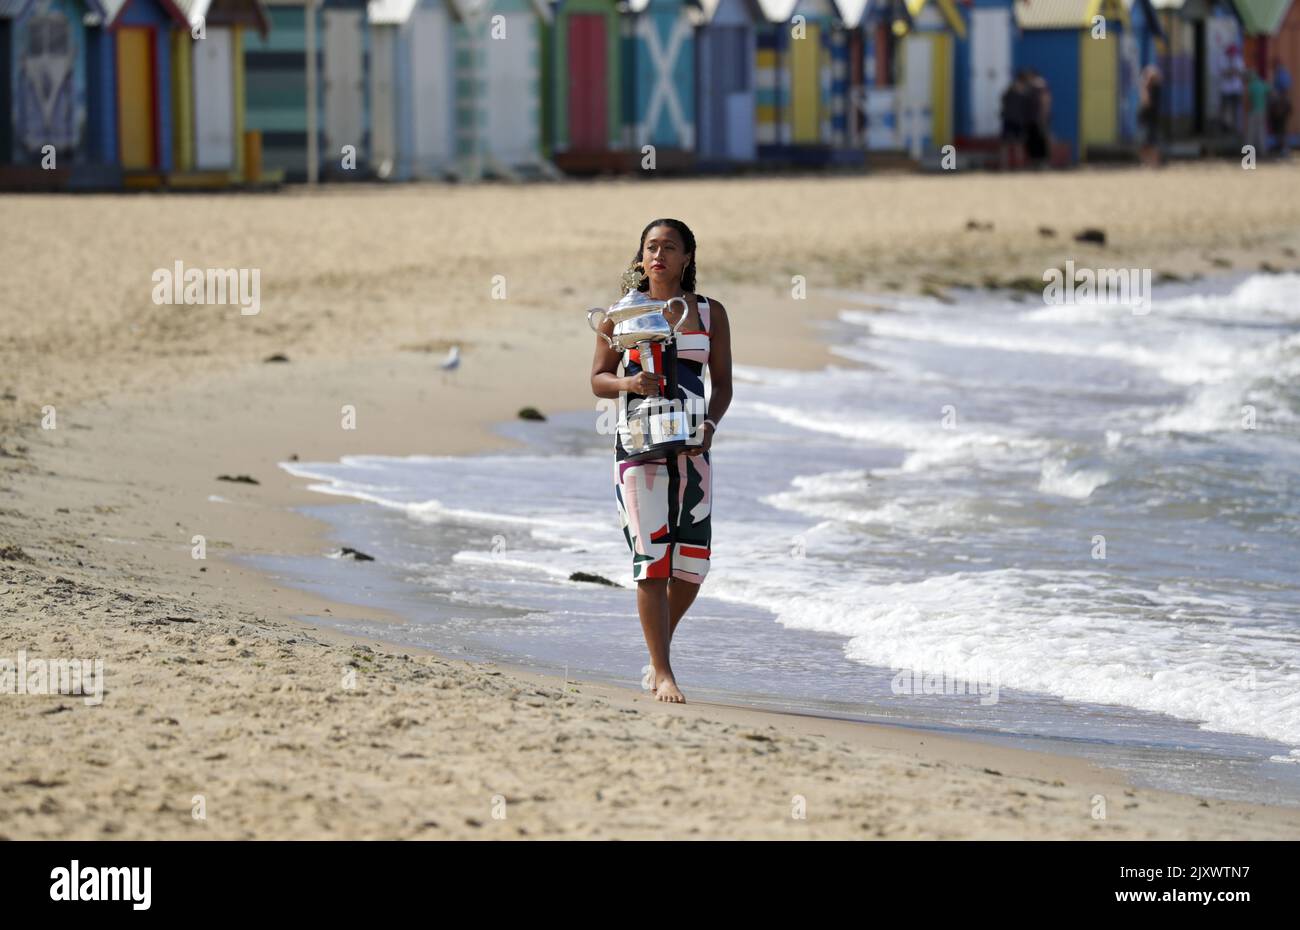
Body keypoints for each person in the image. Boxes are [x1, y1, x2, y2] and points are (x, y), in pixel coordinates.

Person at [589, 219, 733, 704]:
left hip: (694, 448)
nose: (659, 255)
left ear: (688, 256)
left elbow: (724, 385)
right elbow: (598, 380)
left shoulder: (711, 314)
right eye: (652, 247)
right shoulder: (619, 315)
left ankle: (657, 654)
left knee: (692, 564)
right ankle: (664, 672)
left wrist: (709, 426)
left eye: (670, 247)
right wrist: (629, 384)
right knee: (652, 561)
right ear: (641, 255)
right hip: (638, 448)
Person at [1000, 71, 1029, 169]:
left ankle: (1005, 166)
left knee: (1005, 144)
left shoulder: (1009, 89)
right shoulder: (1024, 92)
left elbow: (1003, 99)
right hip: (1018, 120)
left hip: (1008, 119)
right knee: (1018, 144)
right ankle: (1019, 166)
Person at [1139, 63, 1163, 167]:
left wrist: (1144, 86)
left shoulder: (1154, 88)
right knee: (1147, 143)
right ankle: (1148, 162)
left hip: (1151, 119)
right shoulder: (1151, 88)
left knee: (1151, 142)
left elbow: (1146, 102)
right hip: (1147, 119)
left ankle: (1154, 162)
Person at [1025, 70, 1051, 167]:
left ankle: (1042, 162)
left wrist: (1043, 116)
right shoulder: (1031, 87)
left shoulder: (1040, 86)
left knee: (1040, 140)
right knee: (1033, 140)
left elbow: (1045, 101)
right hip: (1032, 119)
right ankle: (1035, 161)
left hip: (1039, 118)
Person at [1220, 44, 1245, 136]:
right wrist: (1232, 71)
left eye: (1233, 54)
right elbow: (1223, 72)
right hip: (1225, 89)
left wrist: (1231, 72)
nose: (1232, 55)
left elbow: (1240, 72)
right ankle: (1226, 127)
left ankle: (1236, 128)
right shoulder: (1223, 59)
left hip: (1236, 89)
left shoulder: (1238, 60)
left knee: (1236, 109)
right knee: (1226, 109)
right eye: (1231, 54)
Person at [1270, 59, 1293, 156]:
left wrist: (1280, 106)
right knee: (1279, 127)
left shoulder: (1281, 75)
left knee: (1281, 127)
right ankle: (1281, 147)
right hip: (1280, 104)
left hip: (1281, 105)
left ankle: (1284, 149)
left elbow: (1285, 90)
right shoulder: (1281, 74)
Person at [1246, 69, 1269, 156]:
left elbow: (1248, 100)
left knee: (1251, 133)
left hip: (1253, 111)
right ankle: (1263, 151)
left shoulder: (1250, 86)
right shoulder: (1262, 84)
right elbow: (1270, 91)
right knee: (1261, 132)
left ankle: (1249, 152)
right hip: (1262, 111)